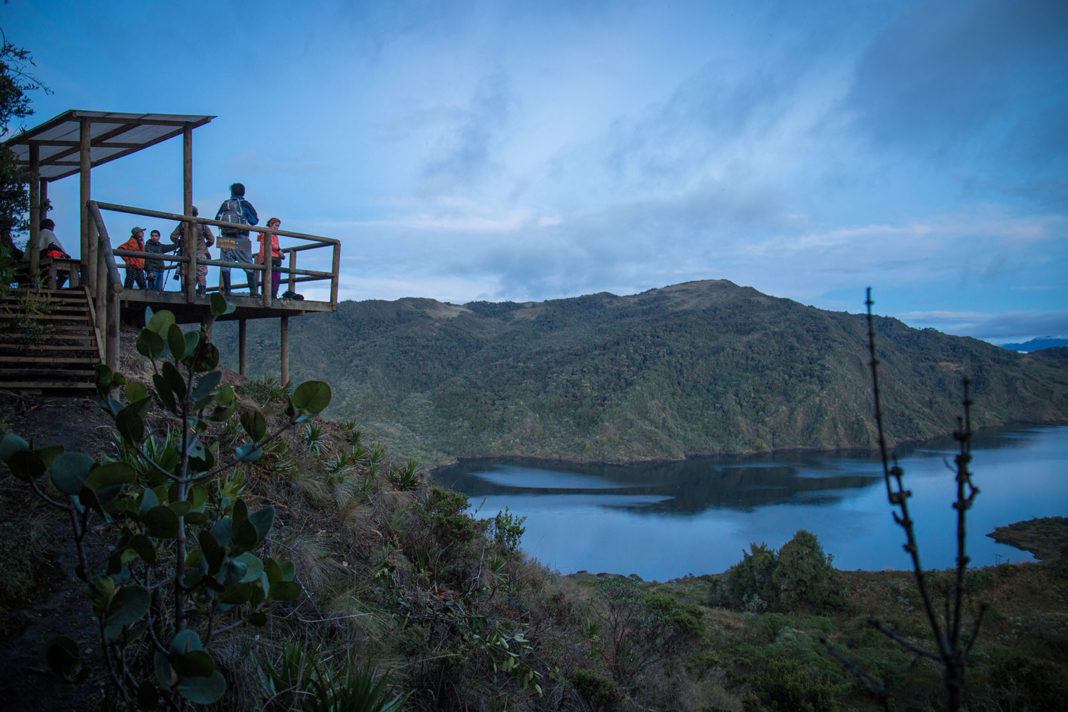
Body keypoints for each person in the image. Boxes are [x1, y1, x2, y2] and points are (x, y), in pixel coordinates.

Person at [215, 182, 259, 296]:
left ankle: (227, 291)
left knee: (225, 265)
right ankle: (254, 292)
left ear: (232, 192)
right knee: (248, 264)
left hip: (225, 237)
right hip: (241, 237)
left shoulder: (225, 204)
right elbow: (254, 221)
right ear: (243, 192)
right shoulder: (245, 204)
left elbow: (217, 219)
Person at [170, 206, 216, 295]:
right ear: (197, 213)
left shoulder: (183, 224)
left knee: (184, 272)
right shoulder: (202, 224)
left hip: (186, 252)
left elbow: (173, 236)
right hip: (200, 252)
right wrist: (204, 245)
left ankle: (184, 292)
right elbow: (211, 240)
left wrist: (181, 243)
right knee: (201, 273)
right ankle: (202, 292)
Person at [24, 218, 71, 287]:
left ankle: (52, 286)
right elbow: (57, 247)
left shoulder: (35, 235)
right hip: (42, 261)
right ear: (50, 227)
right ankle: (56, 286)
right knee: (68, 270)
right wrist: (65, 255)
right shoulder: (47, 232)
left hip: (31, 260)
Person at [257, 217, 284, 298]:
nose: (277, 228)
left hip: (269, 257)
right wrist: (279, 251)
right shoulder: (268, 233)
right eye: (276, 225)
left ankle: (268, 294)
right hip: (271, 257)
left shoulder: (269, 234)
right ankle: (270, 294)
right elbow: (272, 244)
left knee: (269, 276)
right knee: (273, 276)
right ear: (271, 224)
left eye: (278, 226)